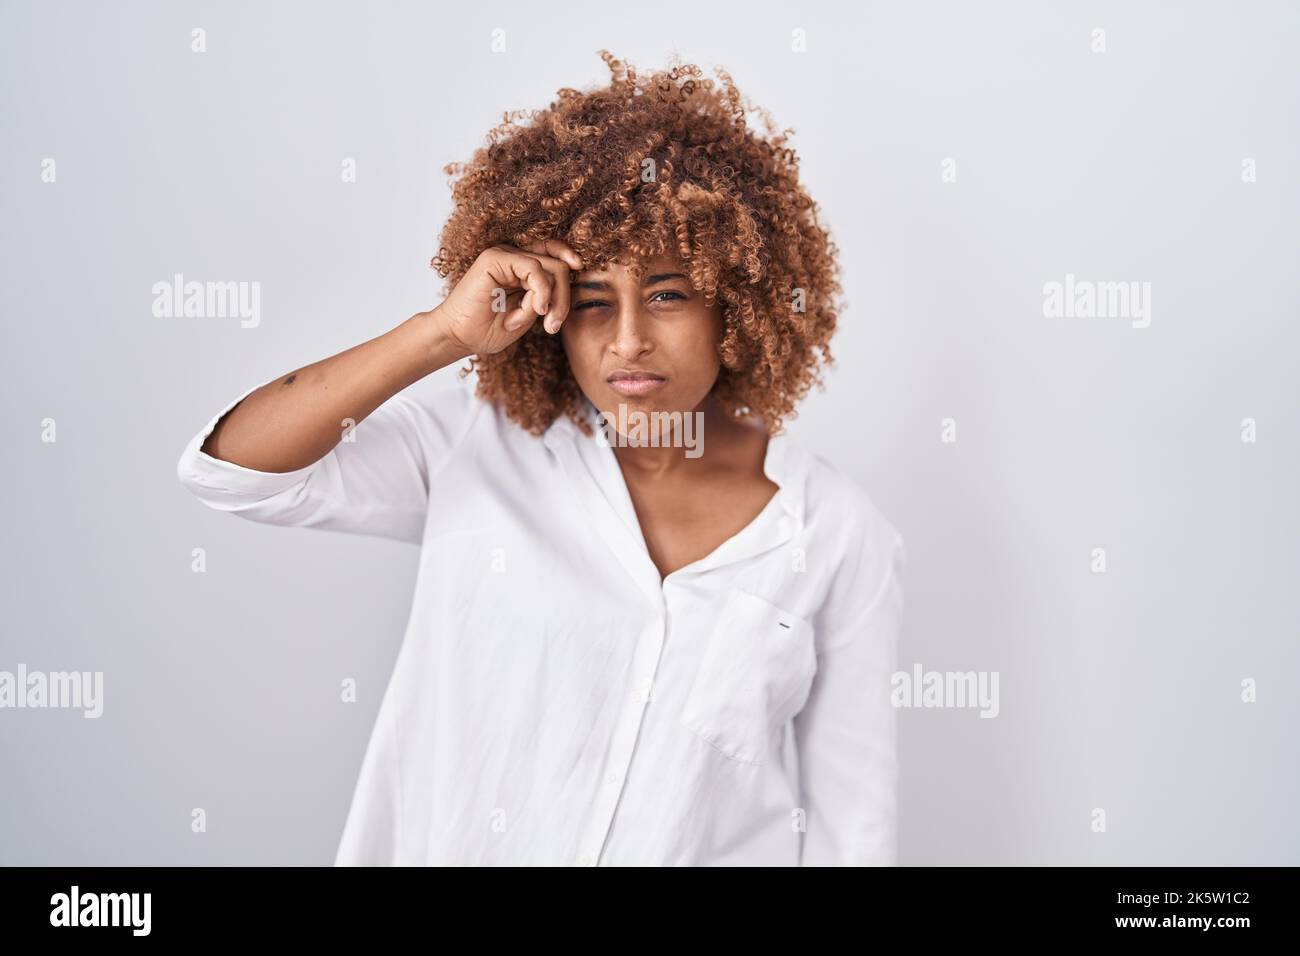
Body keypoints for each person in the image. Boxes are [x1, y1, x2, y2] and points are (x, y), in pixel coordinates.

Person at [176, 52, 905, 866]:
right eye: (594, 300)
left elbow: (851, 830)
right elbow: (231, 472)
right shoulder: (474, 443)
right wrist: (442, 334)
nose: (628, 339)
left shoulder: (836, 533)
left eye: (668, 294)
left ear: (735, 301)